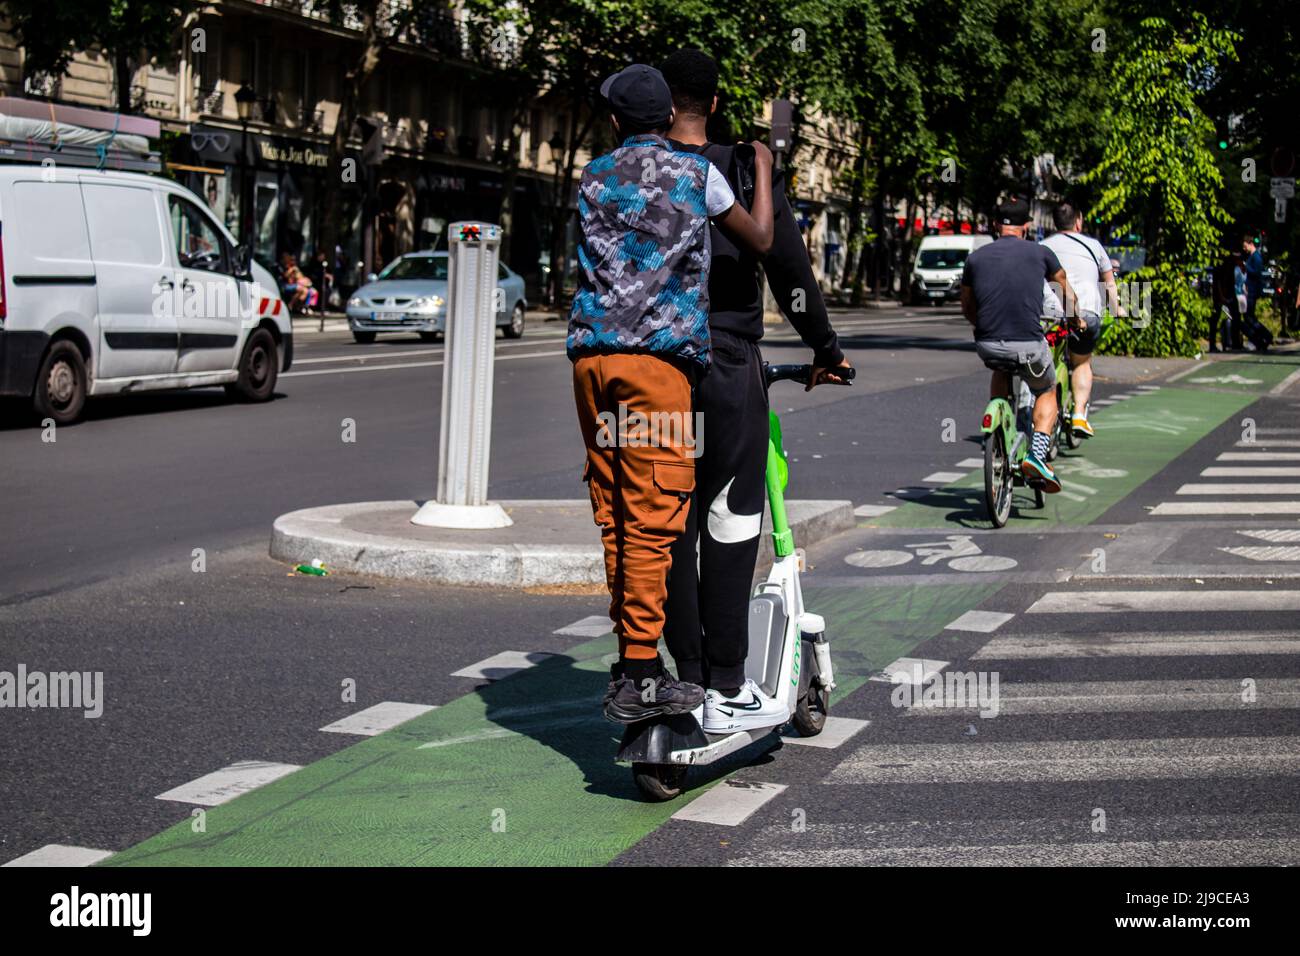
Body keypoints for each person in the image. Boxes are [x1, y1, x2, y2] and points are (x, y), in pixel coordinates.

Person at [567, 64, 775, 723]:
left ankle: (635, 659)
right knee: (658, 519)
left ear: (614, 122)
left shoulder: (593, 176)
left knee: (617, 514)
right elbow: (762, 239)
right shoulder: (698, 175)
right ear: (672, 118)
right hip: (658, 369)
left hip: (592, 364)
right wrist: (763, 167)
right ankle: (640, 675)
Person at [657, 48, 851, 733]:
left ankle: (683, 674)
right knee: (732, 517)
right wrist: (826, 349)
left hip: (650, 368)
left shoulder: (634, 168)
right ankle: (728, 679)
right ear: (712, 103)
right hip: (725, 360)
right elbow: (788, 266)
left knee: (669, 522)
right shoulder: (739, 166)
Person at [961, 197, 1079, 493]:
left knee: (1000, 367)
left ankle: (999, 430)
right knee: (1046, 389)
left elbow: (967, 305)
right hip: (1028, 344)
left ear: (995, 225)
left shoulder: (975, 258)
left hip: (988, 344)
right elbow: (1064, 291)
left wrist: (981, 327)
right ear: (1028, 226)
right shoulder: (1042, 253)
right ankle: (1037, 456)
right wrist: (1075, 318)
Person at [1040, 203, 1116, 439]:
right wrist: (1117, 308)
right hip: (1085, 314)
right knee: (1081, 362)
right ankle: (1079, 414)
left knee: (1046, 361)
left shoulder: (1042, 247)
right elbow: (1109, 284)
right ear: (1078, 221)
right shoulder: (1094, 246)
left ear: (1055, 223)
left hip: (1049, 315)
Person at [1210, 251, 1242, 352]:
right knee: (1215, 318)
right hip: (1220, 295)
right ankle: (1213, 344)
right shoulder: (1221, 265)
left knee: (1235, 316)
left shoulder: (1230, 264)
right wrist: (1222, 297)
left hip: (1228, 293)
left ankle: (1235, 343)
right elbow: (1218, 282)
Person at [1243, 235, 1264, 325]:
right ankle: (1257, 334)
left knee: (1249, 315)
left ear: (1251, 244)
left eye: (1245, 246)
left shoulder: (1256, 257)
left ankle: (1262, 334)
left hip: (1253, 291)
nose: (1244, 249)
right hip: (1250, 290)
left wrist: (1245, 266)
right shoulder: (1251, 257)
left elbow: (1257, 273)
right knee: (1248, 315)